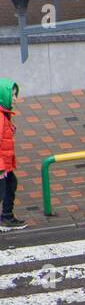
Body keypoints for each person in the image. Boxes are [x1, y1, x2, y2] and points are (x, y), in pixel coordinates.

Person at [0, 79, 24, 232]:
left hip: (4, 166)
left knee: (10, 185)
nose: (15, 99)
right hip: (1, 167)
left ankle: (7, 216)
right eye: (13, 96)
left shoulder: (4, 115)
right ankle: (6, 217)